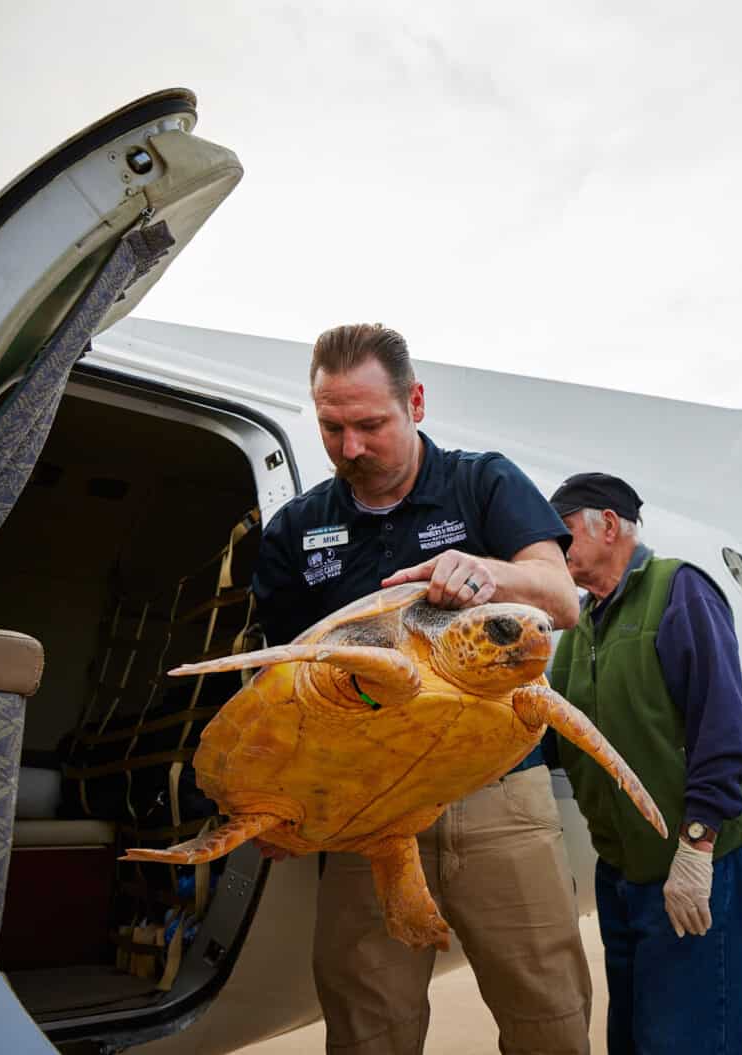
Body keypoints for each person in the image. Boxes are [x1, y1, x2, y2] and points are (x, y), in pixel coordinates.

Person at [249, 323, 592, 1055]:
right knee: (368, 1023)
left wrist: (490, 574)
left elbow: (561, 597)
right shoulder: (296, 530)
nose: (350, 448)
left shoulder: (482, 483)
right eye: (332, 426)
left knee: (549, 1017)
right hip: (367, 807)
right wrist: (277, 793)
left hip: (494, 792)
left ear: (417, 403)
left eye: (371, 424)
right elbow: (278, 682)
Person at [544, 471, 742, 1055]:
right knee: (638, 1039)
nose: (552, 548)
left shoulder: (680, 591)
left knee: (689, 1041)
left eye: (563, 532)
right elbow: (554, 736)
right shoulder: (581, 628)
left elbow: (721, 731)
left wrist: (696, 848)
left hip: (694, 862)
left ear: (609, 526)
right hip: (625, 875)